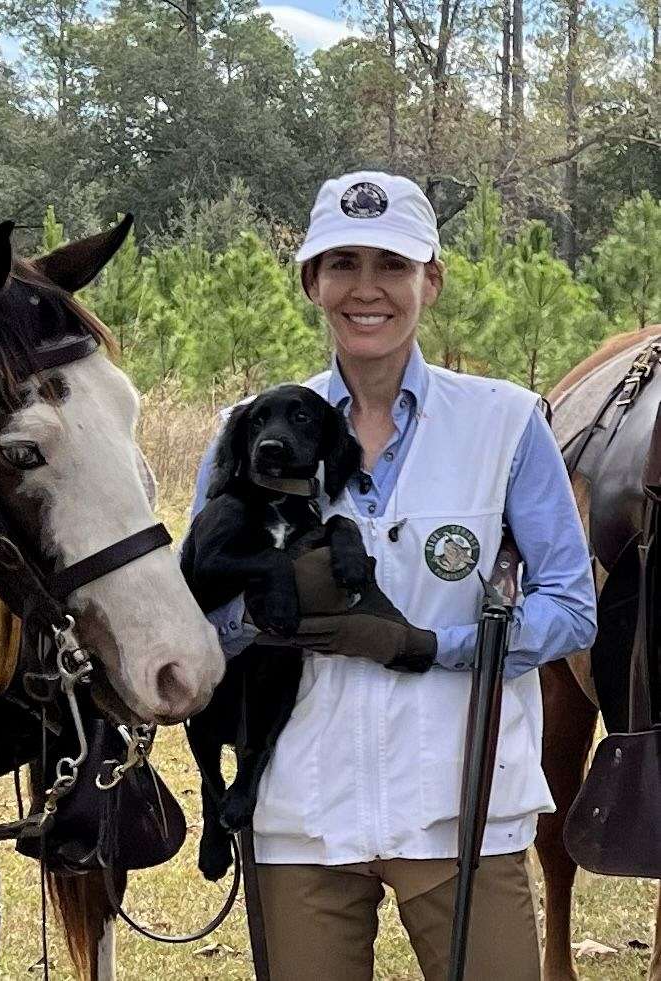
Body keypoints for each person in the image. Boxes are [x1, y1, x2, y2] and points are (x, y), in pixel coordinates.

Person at [188, 171, 597, 980]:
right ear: (311, 282)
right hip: (298, 811)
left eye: (392, 265)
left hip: (462, 813)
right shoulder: (250, 428)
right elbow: (191, 614)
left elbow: (570, 609)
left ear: (430, 281)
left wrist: (427, 643)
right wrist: (261, 621)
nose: (365, 289)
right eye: (341, 263)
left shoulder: (506, 422)